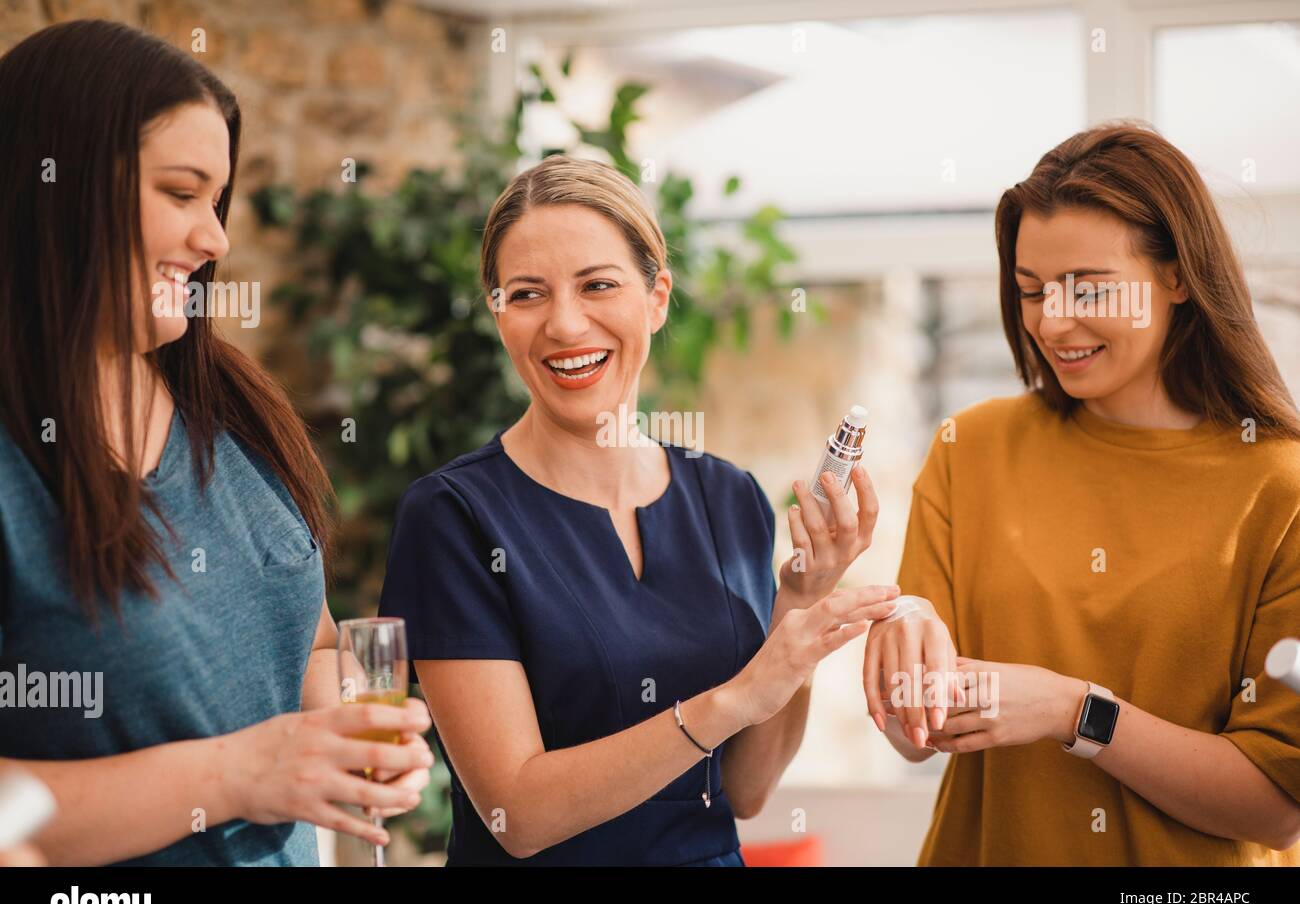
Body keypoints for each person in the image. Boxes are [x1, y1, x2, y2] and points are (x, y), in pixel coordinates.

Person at [379, 154, 898, 865]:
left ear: (656, 298)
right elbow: (517, 813)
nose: (564, 324)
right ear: (498, 313)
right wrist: (731, 701)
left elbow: (745, 790)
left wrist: (802, 599)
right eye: (527, 294)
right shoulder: (454, 519)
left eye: (598, 285)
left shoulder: (729, 497)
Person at [0, 19, 432, 865]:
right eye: (180, 192)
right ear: (58, 187)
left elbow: (304, 645)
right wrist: (237, 774)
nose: (216, 240)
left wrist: (349, 726)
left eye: (218, 200)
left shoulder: (229, 402)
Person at [865, 123, 1300, 864]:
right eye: (1031, 291)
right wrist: (903, 635)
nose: (1052, 322)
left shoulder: (1278, 487)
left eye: (1088, 288)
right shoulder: (972, 449)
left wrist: (1075, 712)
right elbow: (918, 738)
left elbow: (1276, 807)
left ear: (1179, 276)